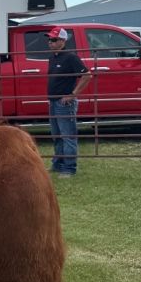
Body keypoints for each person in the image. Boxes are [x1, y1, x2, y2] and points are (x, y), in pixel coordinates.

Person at [45, 27, 91, 176]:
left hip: (64, 102)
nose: (50, 42)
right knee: (57, 135)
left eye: (53, 40)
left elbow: (87, 75)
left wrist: (73, 94)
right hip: (54, 101)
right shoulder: (53, 58)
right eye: (49, 39)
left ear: (63, 41)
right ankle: (58, 164)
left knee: (67, 135)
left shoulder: (71, 57)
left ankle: (69, 168)